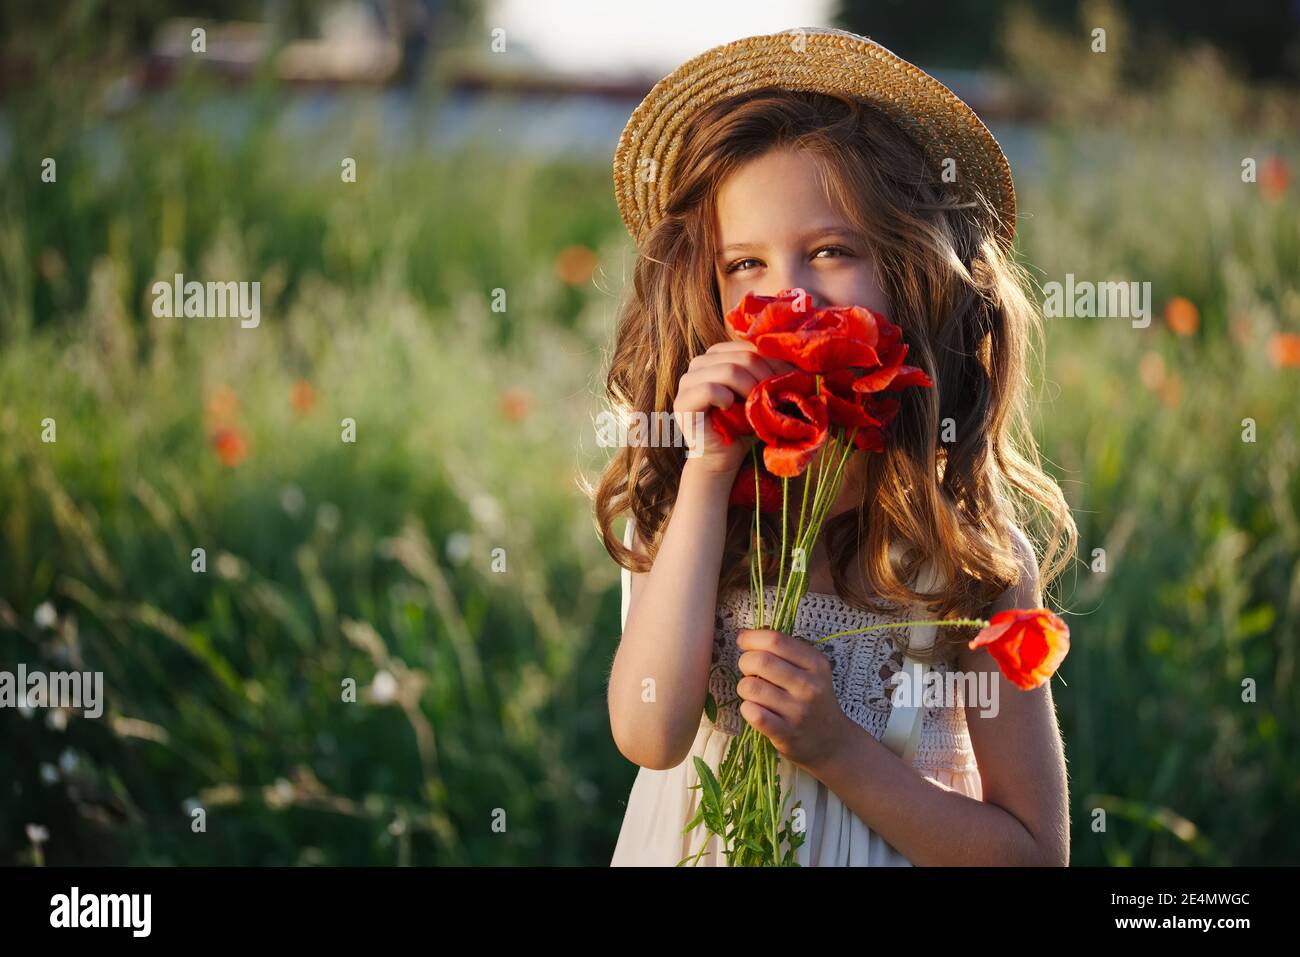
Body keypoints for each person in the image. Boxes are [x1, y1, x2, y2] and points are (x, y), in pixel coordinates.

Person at [596, 27, 1076, 866]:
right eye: (745, 263)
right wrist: (708, 477)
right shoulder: (679, 497)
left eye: (830, 251)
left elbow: (1034, 852)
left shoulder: (963, 550)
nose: (789, 293)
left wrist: (837, 750)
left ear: (912, 269)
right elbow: (649, 732)